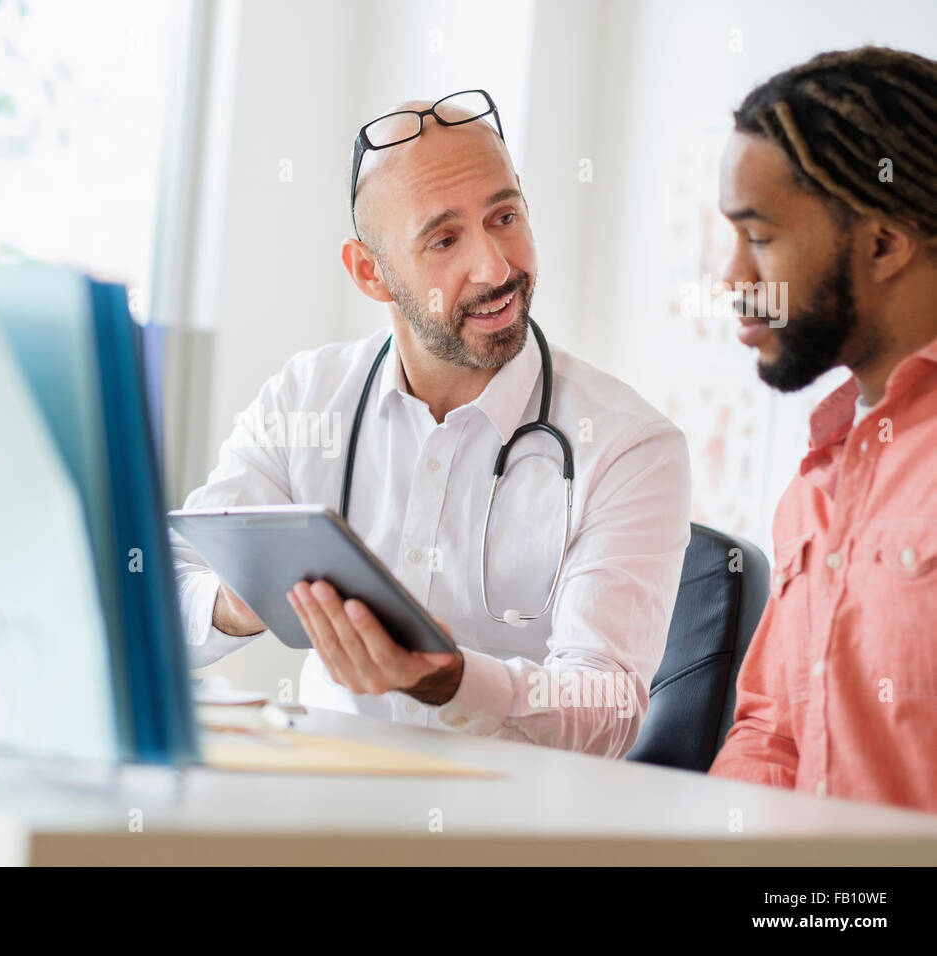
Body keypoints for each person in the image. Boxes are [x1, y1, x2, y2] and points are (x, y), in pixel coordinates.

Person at [170, 90, 690, 756]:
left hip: (512, 827)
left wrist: (455, 680)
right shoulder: (306, 399)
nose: (496, 267)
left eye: (505, 216)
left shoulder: (629, 445)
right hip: (323, 799)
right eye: (444, 239)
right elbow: (154, 592)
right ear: (370, 273)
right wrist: (241, 601)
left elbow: (607, 710)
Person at [710, 47, 937, 812]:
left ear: (882, 243)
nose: (733, 280)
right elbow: (773, 735)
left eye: (761, 237)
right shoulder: (820, 476)